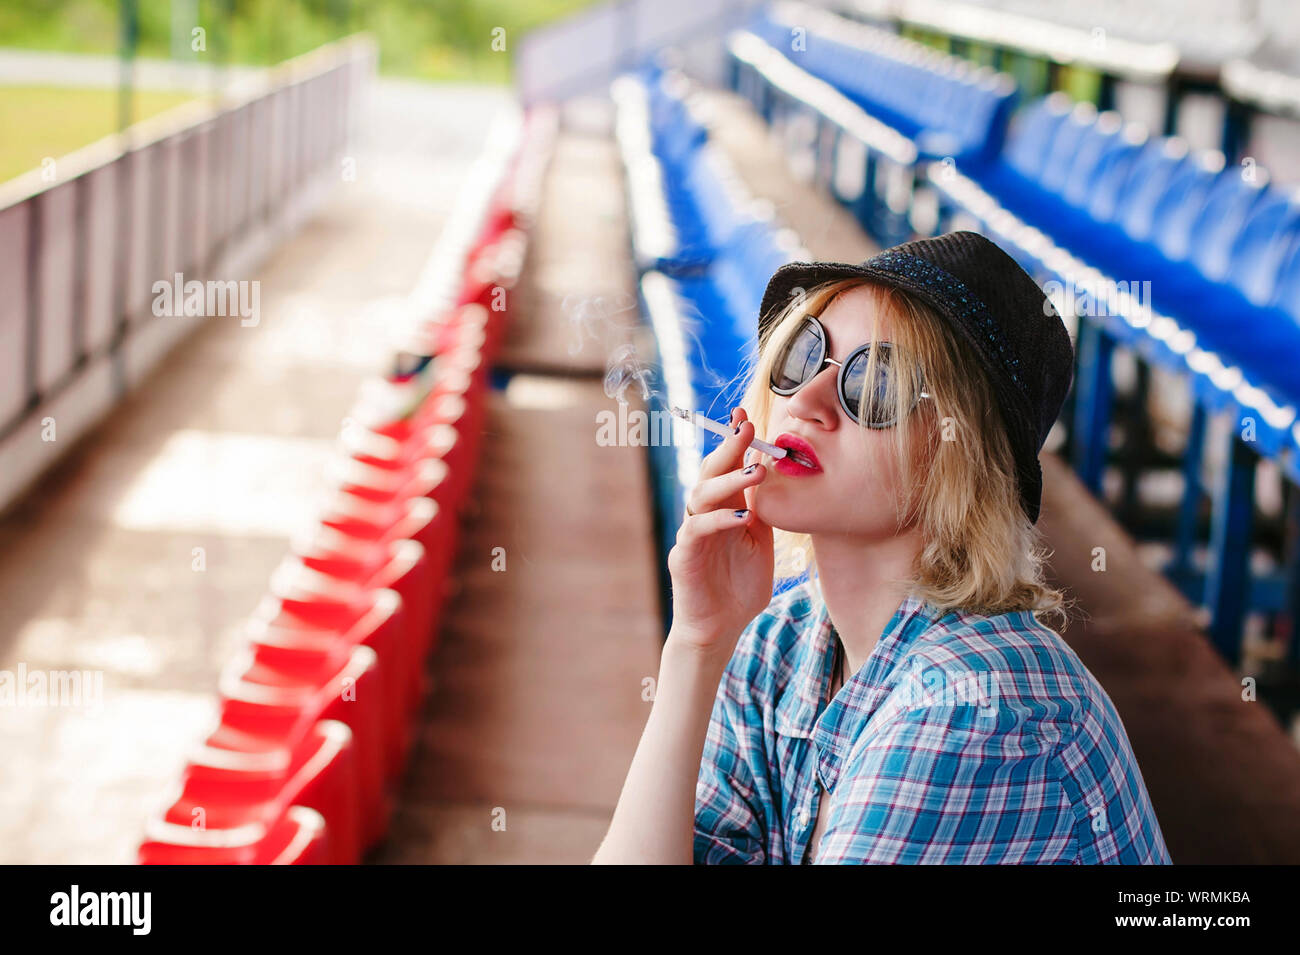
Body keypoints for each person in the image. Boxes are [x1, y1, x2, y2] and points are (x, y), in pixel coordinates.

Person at [591, 231, 1171, 864]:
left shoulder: (973, 713)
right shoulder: (781, 642)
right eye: (804, 357)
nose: (807, 402)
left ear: (960, 456)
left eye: (875, 385)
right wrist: (695, 648)